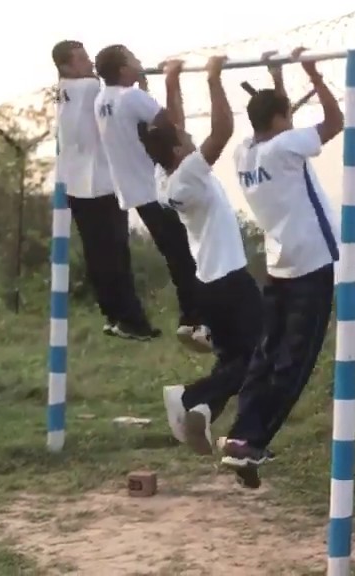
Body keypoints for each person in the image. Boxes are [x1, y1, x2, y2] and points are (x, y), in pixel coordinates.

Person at [217, 46, 344, 486]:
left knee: (266, 354)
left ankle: (240, 435)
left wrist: (277, 77)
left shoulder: (245, 153)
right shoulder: (287, 147)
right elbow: (334, 123)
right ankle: (252, 443)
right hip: (311, 262)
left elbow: (283, 128)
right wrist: (316, 75)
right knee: (295, 360)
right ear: (279, 119)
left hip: (280, 264)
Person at [141, 56, 263, 456]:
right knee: (259, 355)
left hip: (207, 283)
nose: (189, 137)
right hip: (230, 280)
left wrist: (172, 82)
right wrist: (214, 79)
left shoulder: (164, 177)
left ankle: (205, 409)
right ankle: (190, 396)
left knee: (233, 359)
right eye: (183, 137)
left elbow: (171, 128)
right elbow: (224, 129)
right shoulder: (190, 172)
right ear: (179, 148)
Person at [93, 44, 205, 346]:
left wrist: (144, 88)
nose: (140, 62)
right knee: (185, 254)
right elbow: (173, 124)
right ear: (122, 69)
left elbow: (136, 124)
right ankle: (194, 319)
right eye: (134, 60)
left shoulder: (103, 99)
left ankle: (193, 316)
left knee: (176, 253)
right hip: (155, 189)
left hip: (133, 190)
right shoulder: (132, 97)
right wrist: (172, 81)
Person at [50, 40, 145, 338]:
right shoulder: (87, 88)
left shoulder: (63, 89)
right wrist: (137, 77)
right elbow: (113, 88)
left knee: (98, 255)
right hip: (99, 182)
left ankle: (113, 315)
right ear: (66, 65)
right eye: (81, 59)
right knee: (116, 254)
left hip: (75, 182)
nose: (89, 63)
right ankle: (132, 320)